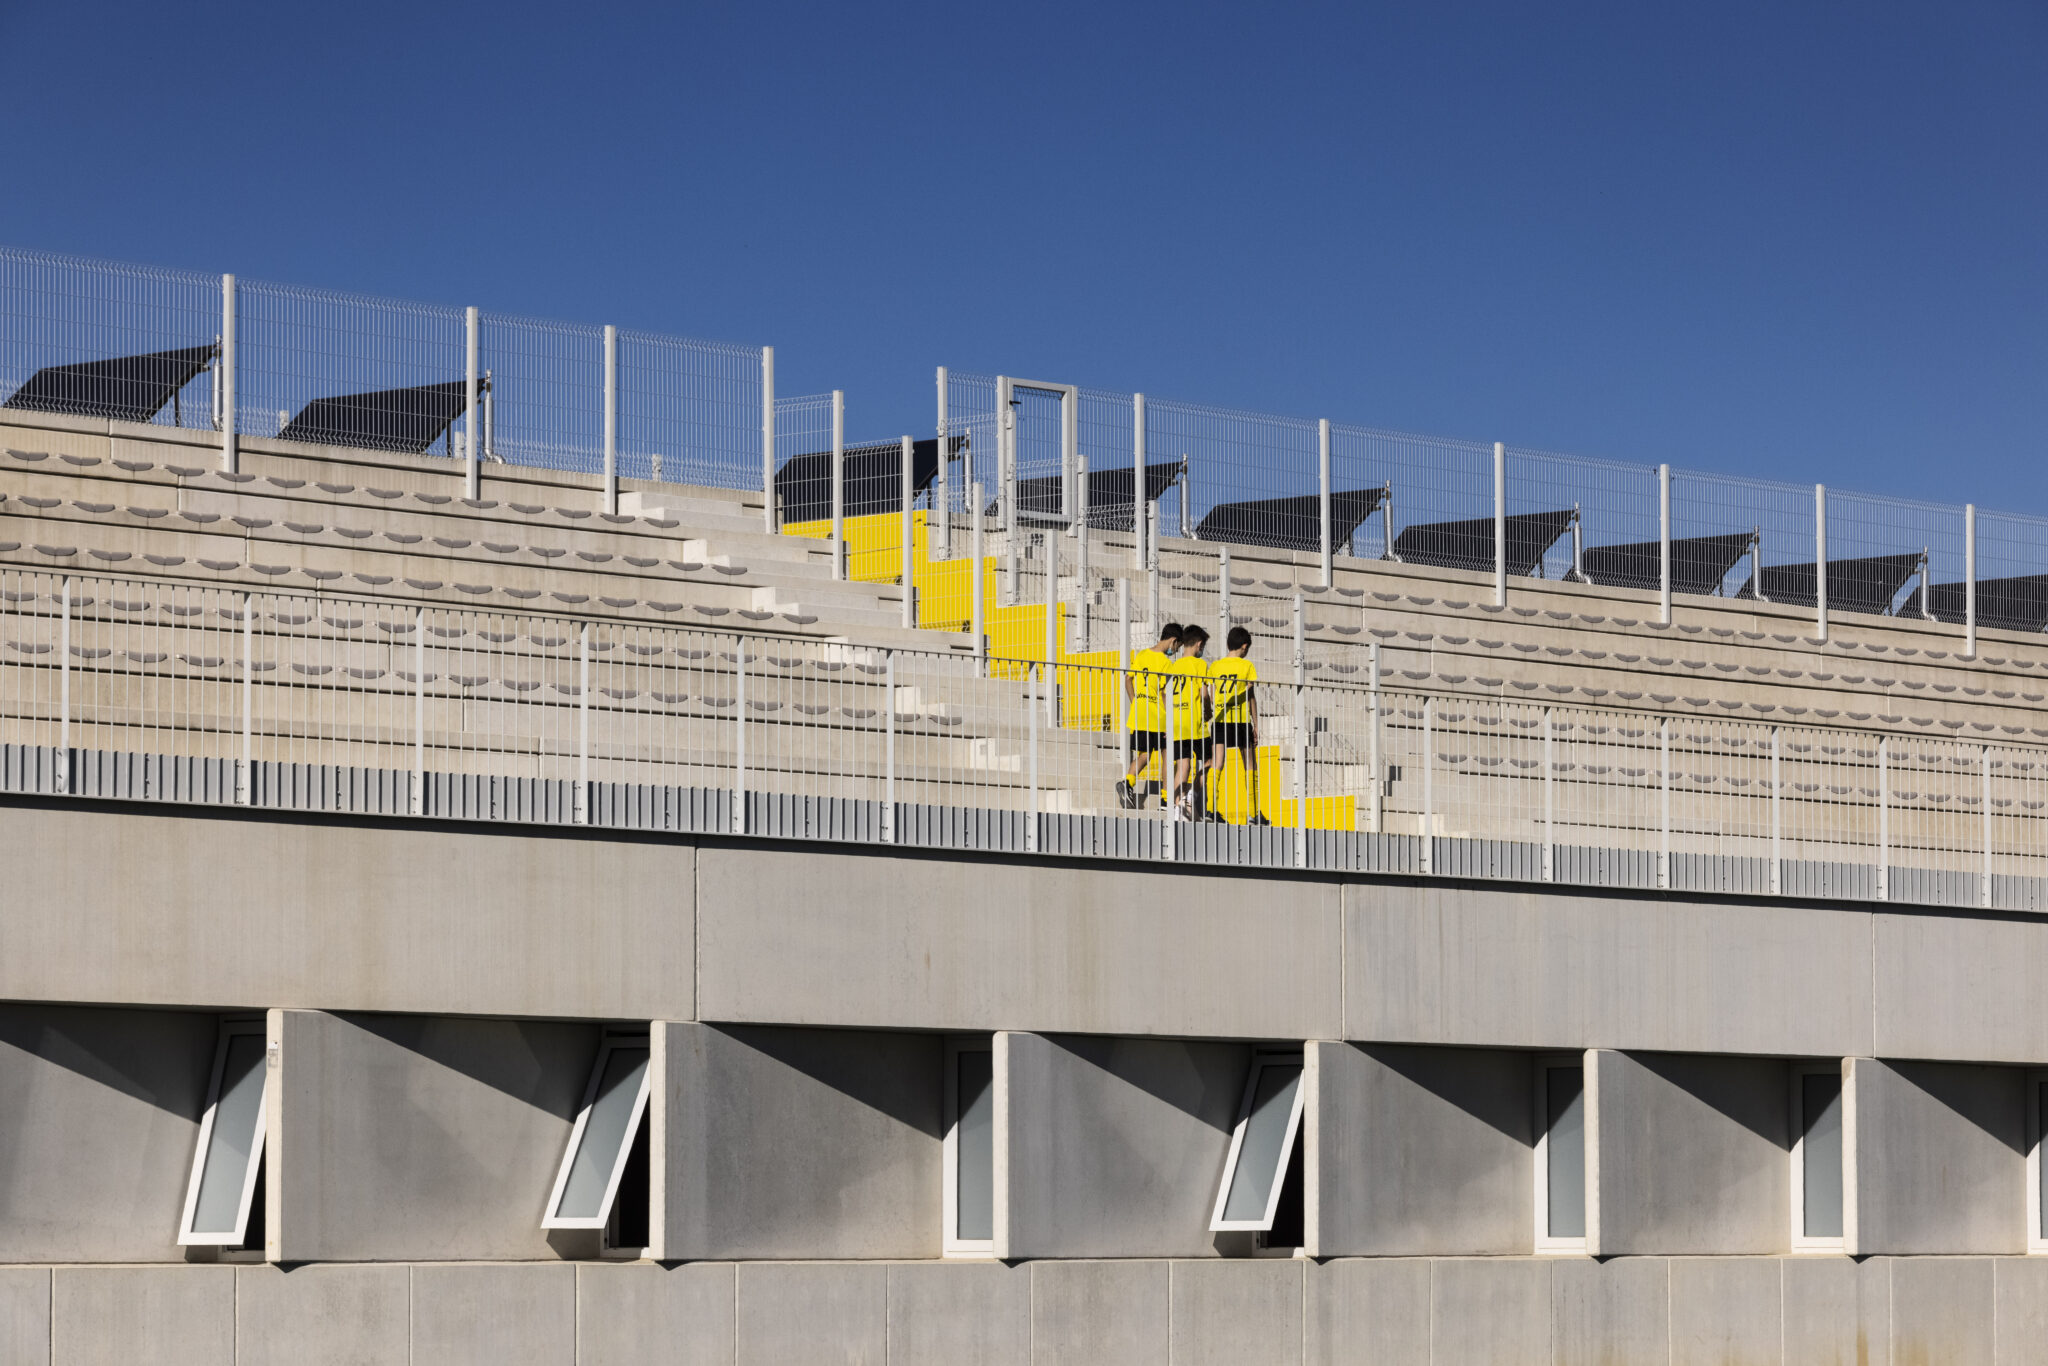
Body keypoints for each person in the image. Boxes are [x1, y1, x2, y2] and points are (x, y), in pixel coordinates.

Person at [1206, 626, 1269, 825]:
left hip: (1220, 719)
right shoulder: (1246, 666)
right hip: (1240, 720)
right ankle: (1254, 813)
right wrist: (1256, 724)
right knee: (1250, 765)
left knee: (1218, 763)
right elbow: (1250, 696)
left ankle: (1211, 810)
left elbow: (1209, 691)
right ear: (1244, 646)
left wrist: (1209, 712)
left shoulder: (1215, 666)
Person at [1117, 623, 1180, 809]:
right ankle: (1165, 798)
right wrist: (1172, 718)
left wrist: (1135, 701)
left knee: (1144, 755)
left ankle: (1128, 782)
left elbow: (1128, 679)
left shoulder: (1142, 654)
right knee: (1168, 756)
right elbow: (1163, 692)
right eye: (1177, 647)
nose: (1175, 651)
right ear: (1173, 641)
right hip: (1157, 717)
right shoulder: (1166, 663)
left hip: (1140, 713)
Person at [1167, 625, 1213, 820]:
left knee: (1182, 765)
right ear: (1199, 644)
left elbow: (1165, 693)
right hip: (1195, 724)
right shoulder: (1199, 665)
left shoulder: (1173, 666)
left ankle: (1177, 806)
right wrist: (1208, 710)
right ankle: (1191, 797)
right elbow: (1204, 693)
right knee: (1210, 761)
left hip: (1176, 722)